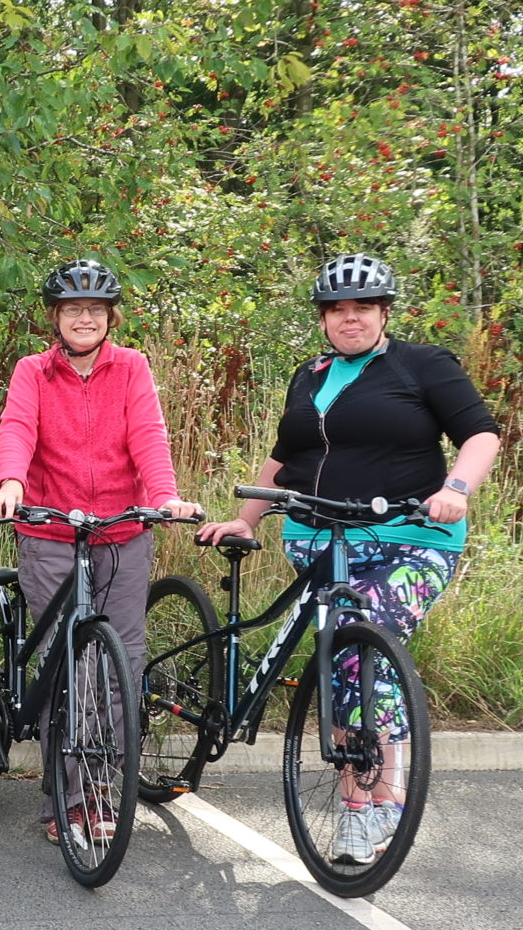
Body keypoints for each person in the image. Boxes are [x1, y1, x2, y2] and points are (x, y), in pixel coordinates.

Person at [195, 252, 500, 864]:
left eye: (362, 308)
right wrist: (246, 517)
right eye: (337, 310)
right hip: (320, 537)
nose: (349, 319)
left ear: (384, 312)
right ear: (323, 318)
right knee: (339, 662)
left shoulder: (424, 366)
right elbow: (283, 456)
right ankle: (360, 802)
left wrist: (456, 491)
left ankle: (375, 801)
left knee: (367, 648)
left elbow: (480, 434)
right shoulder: (309, 374)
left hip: (410, 538)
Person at [0, 259, 199, 846]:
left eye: (94, 310)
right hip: (50, 533)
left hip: (122, 534)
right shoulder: (33, 371)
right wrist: (11, 485)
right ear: (56, 317)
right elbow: (18, 428)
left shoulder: (131, 368)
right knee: (70, 668)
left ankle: (104, 791)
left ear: (109, 317)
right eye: (73, 309)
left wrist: (165, 497)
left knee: (118, 667)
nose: (83, 318)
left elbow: (147, 434)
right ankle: (68, 797)